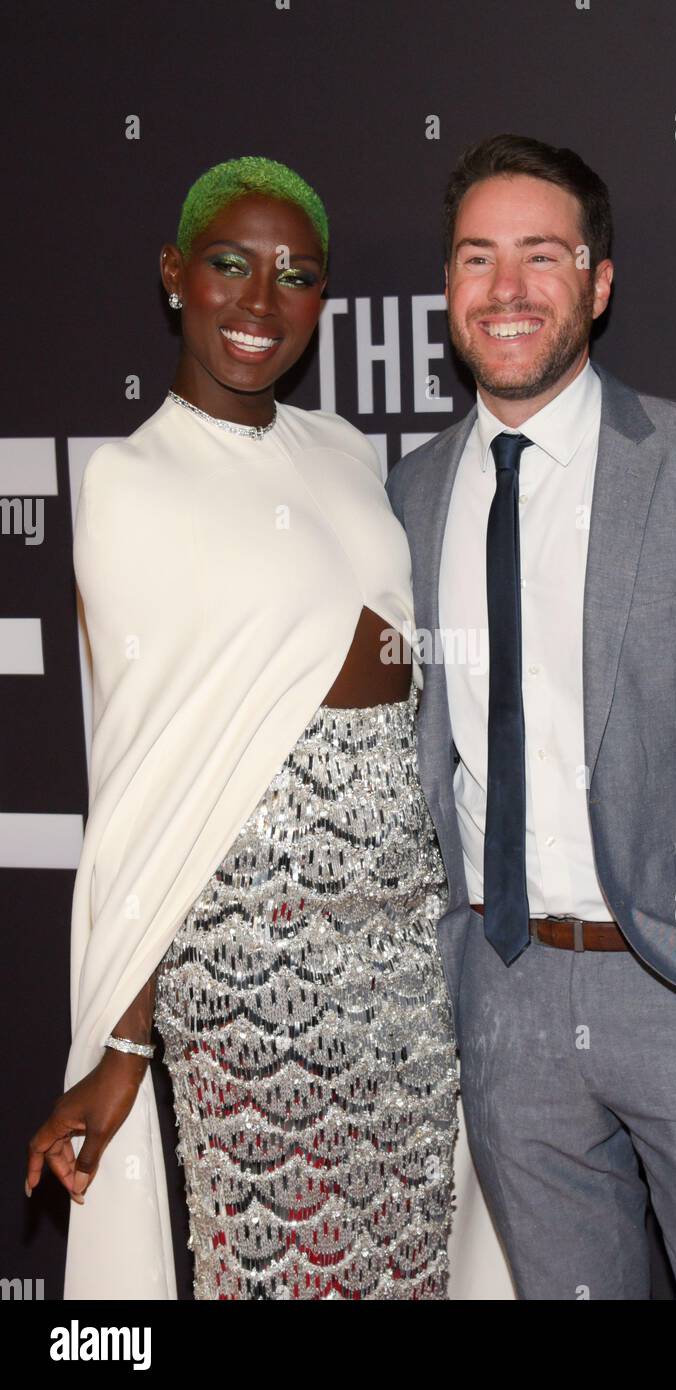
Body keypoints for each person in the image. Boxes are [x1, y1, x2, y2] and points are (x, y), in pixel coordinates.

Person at [384, 132, 676, 1300]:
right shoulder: (406, 494)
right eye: (476, 258)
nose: (505, 290)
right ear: (446, 288)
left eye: (541, 257)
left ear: (597, 283)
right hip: (505, 996)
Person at [25, 156, 459, 1301]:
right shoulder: (131, 481)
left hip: (404, 964)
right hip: (252, 964)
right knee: (284, 1269)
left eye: (295, 275)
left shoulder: (344, 452)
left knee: (408, 1265)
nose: (260, 303)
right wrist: (123, 1044)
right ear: (174, 275)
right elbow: (138, 777)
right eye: (229, 263)